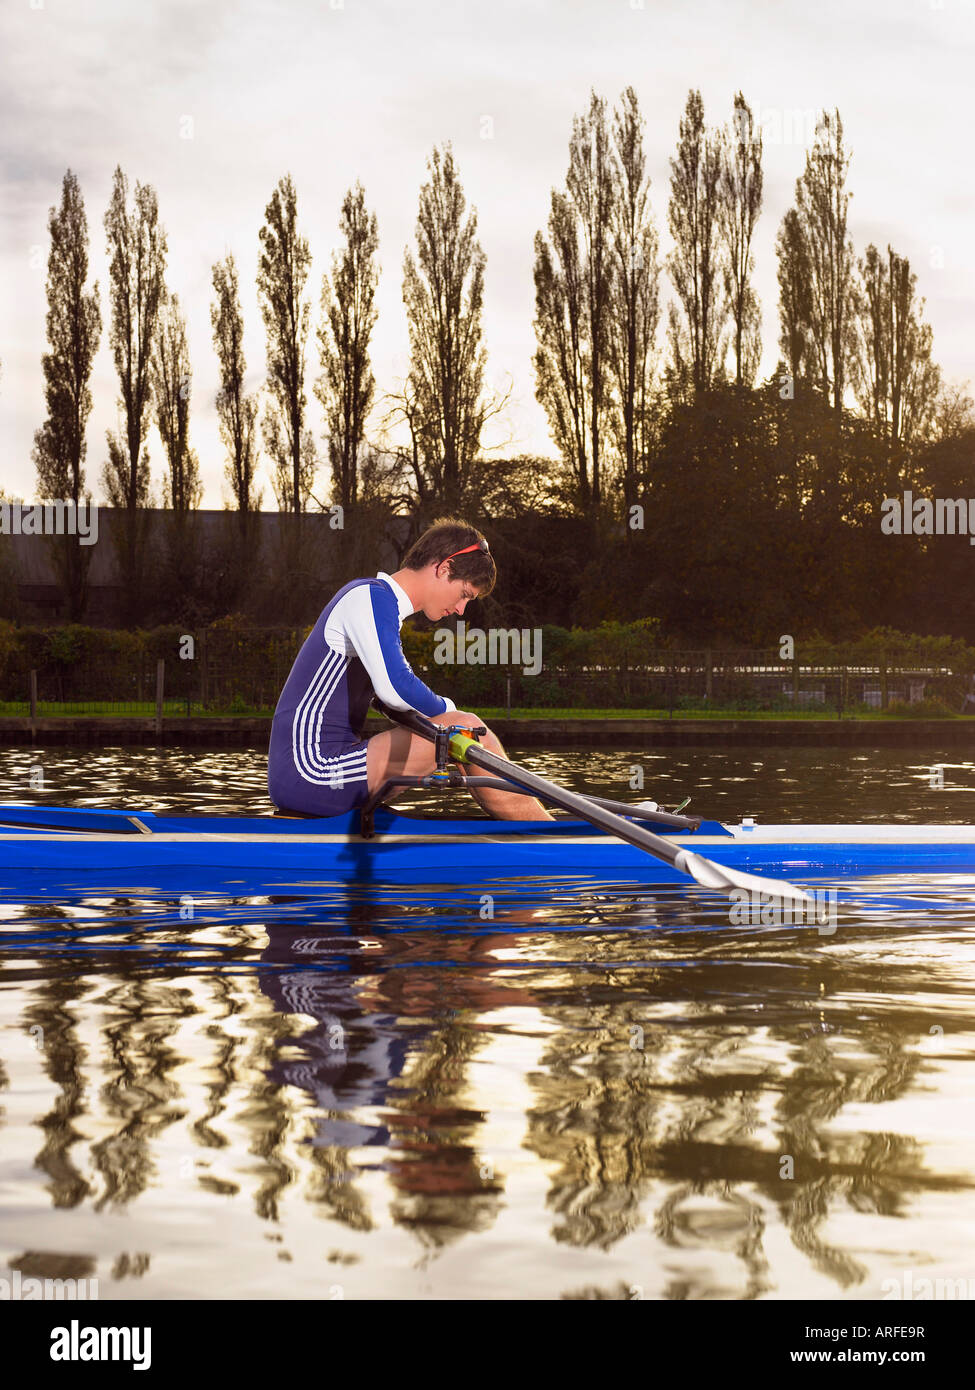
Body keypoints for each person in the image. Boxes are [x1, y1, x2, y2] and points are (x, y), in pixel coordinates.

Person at [267, 517, 553, 821]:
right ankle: (554, 843)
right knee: (467, 729)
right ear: (444, 568)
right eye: (465, 594)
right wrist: (451, 713)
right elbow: (395, 688)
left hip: (318, 769)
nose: (460, 609)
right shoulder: (368, 597)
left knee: (463, 730)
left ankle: (544, 832)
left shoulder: (381, 608)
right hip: (310, 771)